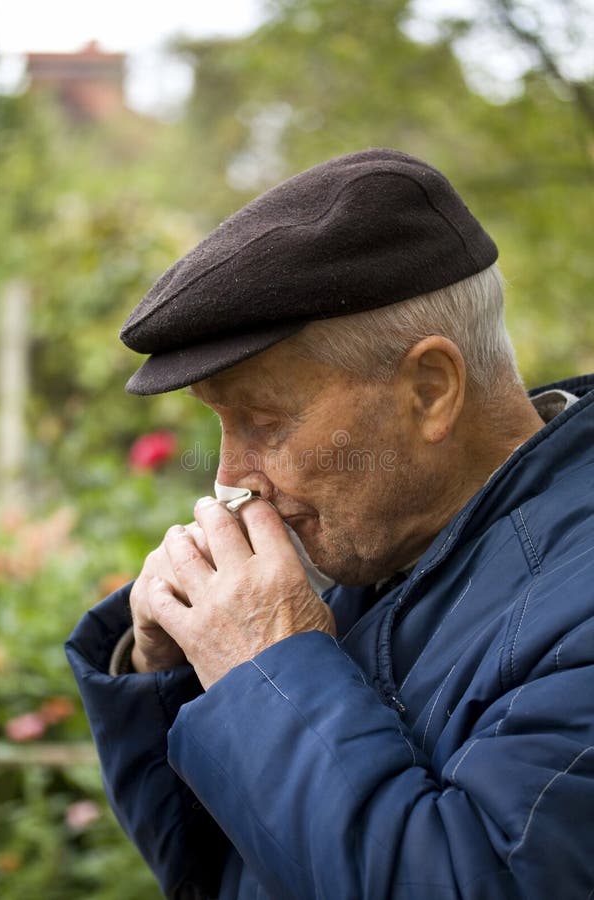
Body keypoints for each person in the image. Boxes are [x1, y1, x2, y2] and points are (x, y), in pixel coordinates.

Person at [66, 149, 594, 900]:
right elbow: (221, 872)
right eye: (221, 423)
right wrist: (174, 680)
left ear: (431, 389)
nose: (230, 478)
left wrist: (263, 671)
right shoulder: (378, 547)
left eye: (263, 421)